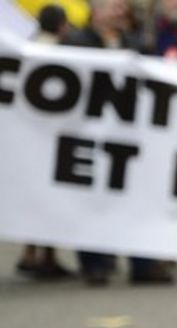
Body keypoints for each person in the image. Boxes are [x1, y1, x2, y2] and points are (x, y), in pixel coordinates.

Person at [63, 0, 174, 286]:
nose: (121, 11)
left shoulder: (136, 44)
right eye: (114, 6)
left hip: (129, 138)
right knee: (91, 201)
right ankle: (95, 264)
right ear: (96, 11)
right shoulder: (76, 42)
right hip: (89, 136)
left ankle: (143, 264)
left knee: (136, 199)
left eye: (122, 6)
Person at [15, 5, 74, 281]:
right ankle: (45, 255)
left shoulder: (26, 48)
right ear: (62, 26)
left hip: (27, 137)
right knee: (49, 197)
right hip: (49, 139)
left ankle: (32, 253)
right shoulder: (62, 53)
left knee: (32, 195)